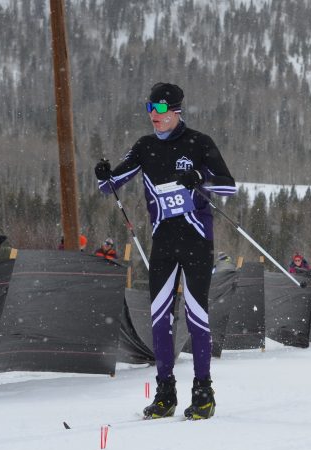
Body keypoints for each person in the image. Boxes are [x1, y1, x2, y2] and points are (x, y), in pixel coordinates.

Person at [95, 81, 237, 419]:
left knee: (196, 316)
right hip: (163, 243)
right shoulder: (145, 147)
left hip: (197, 242)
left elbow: (228, 186)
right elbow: (109, 186)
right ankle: (165, 392)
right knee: (160, 317)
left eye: (159, 110)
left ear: (176, 112)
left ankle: (203, 391)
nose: (153, 117)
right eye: (150, 109)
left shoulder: (199, 143)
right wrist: (103, 174)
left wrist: (199, 177)